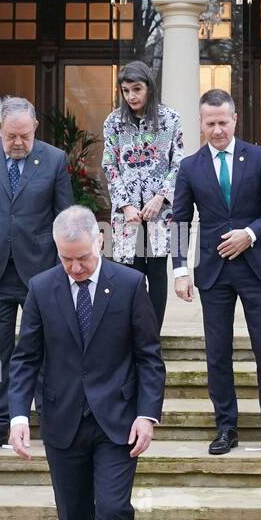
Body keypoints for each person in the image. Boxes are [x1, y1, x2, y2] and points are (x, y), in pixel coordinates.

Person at [8, 206, 165, 520]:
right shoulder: (41, 289)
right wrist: (18, 415)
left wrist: (147, 415)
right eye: (66, 260)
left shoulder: (132, 285)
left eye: (83, 259)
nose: (75, 268)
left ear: (99, 242)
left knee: (113, 515)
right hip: (62, 422)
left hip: (116, 423)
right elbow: (25, 358)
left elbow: (149, 357)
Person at [172, 88, 261, 455]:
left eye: (223, 122)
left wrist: (250, 234)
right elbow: (179, 220)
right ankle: (226, 427)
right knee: (217, 352)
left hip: (257, 269)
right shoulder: (190, 167)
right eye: (211, 123)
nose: (218, 129)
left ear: (235, 119)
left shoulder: (259, 157)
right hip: (212, 272)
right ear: (202, 123)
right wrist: (179, 269)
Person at [0, 96, 73, 453]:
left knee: (46, 349)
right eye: (12, 136)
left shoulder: (54, 160)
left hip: (40, 273)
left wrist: (63, 270)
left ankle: (47, 420)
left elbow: (65, 217)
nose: (19, 143)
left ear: (35, 128)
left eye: (25, 135)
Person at [101, 60, 184, 329]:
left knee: (158, 273)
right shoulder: (114, 122)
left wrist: (161, 197)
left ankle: (153, 336)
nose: (131, 96)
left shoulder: (170, 119)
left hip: (161, 213)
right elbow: (109, 165)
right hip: (127, 217)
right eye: (126, 91)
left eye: (137, 89)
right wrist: (124, 205)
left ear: (149, 87)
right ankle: (132, 333)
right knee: (129, 274)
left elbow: (179, 163)